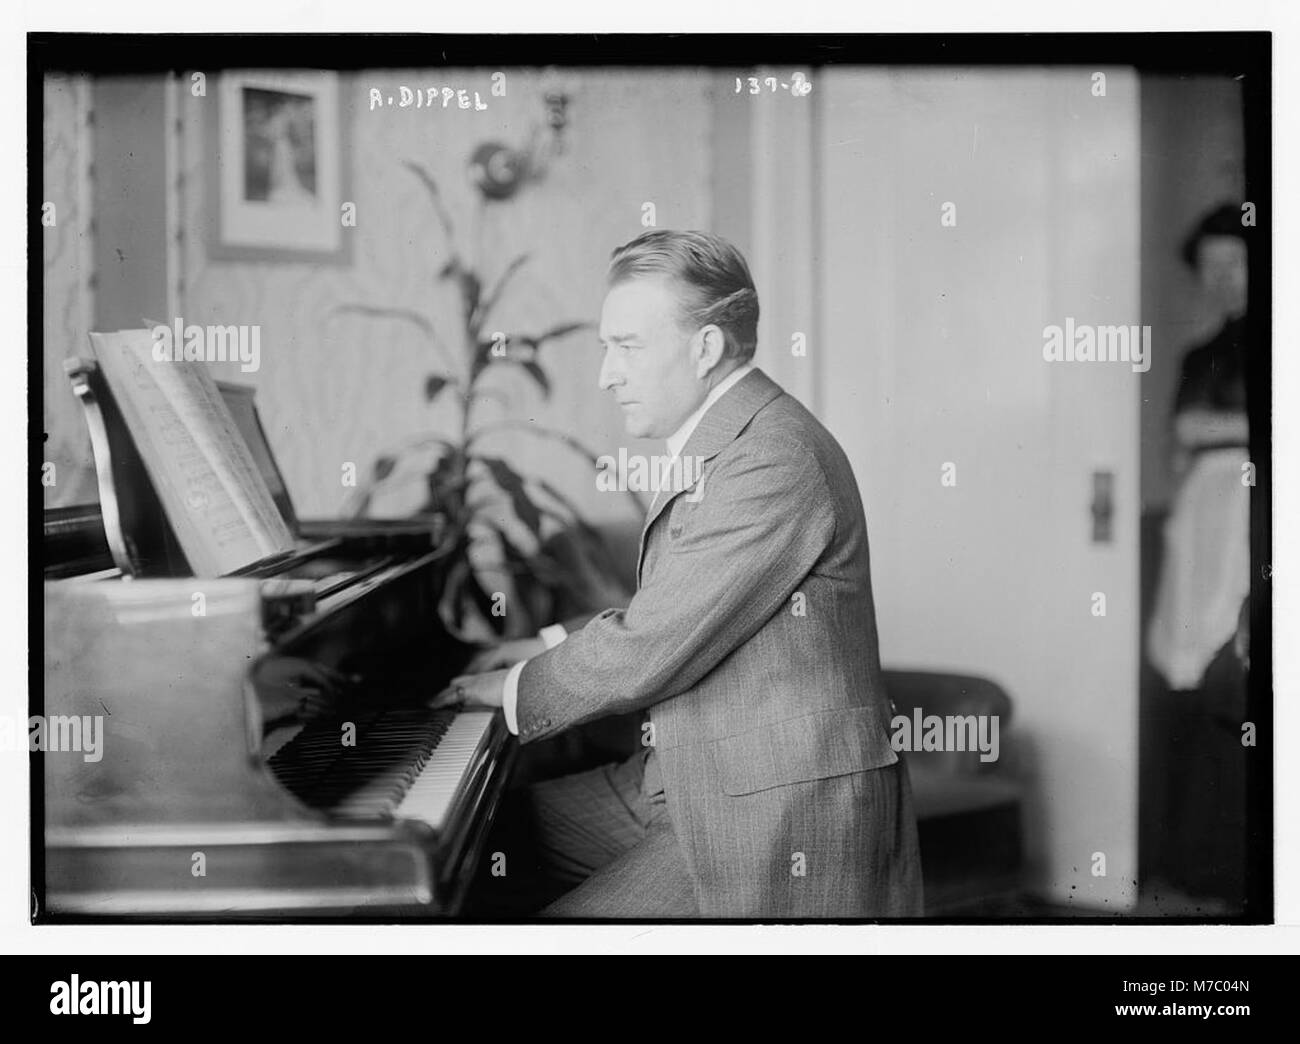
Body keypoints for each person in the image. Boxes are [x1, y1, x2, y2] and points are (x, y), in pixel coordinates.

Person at [433, 229, 922, 918]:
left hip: (771, 814)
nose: (606, 374)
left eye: (626, 347)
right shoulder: (729, 442)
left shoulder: (772, 459)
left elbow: (651, 642)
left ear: (706, 349)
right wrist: (536, 648)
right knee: (463, 852)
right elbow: (674, 603)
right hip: (680, 780)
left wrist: (508, 693)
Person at [1146, 202, 1252, 909]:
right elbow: (1182, 434)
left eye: (1234, 265)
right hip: (1203, 518)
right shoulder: (1200, 354)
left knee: (1236, 674)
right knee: (1187, 674)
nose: (1221, 280)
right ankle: (1196, 869)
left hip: (1257, 515)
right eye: (1209, 269)